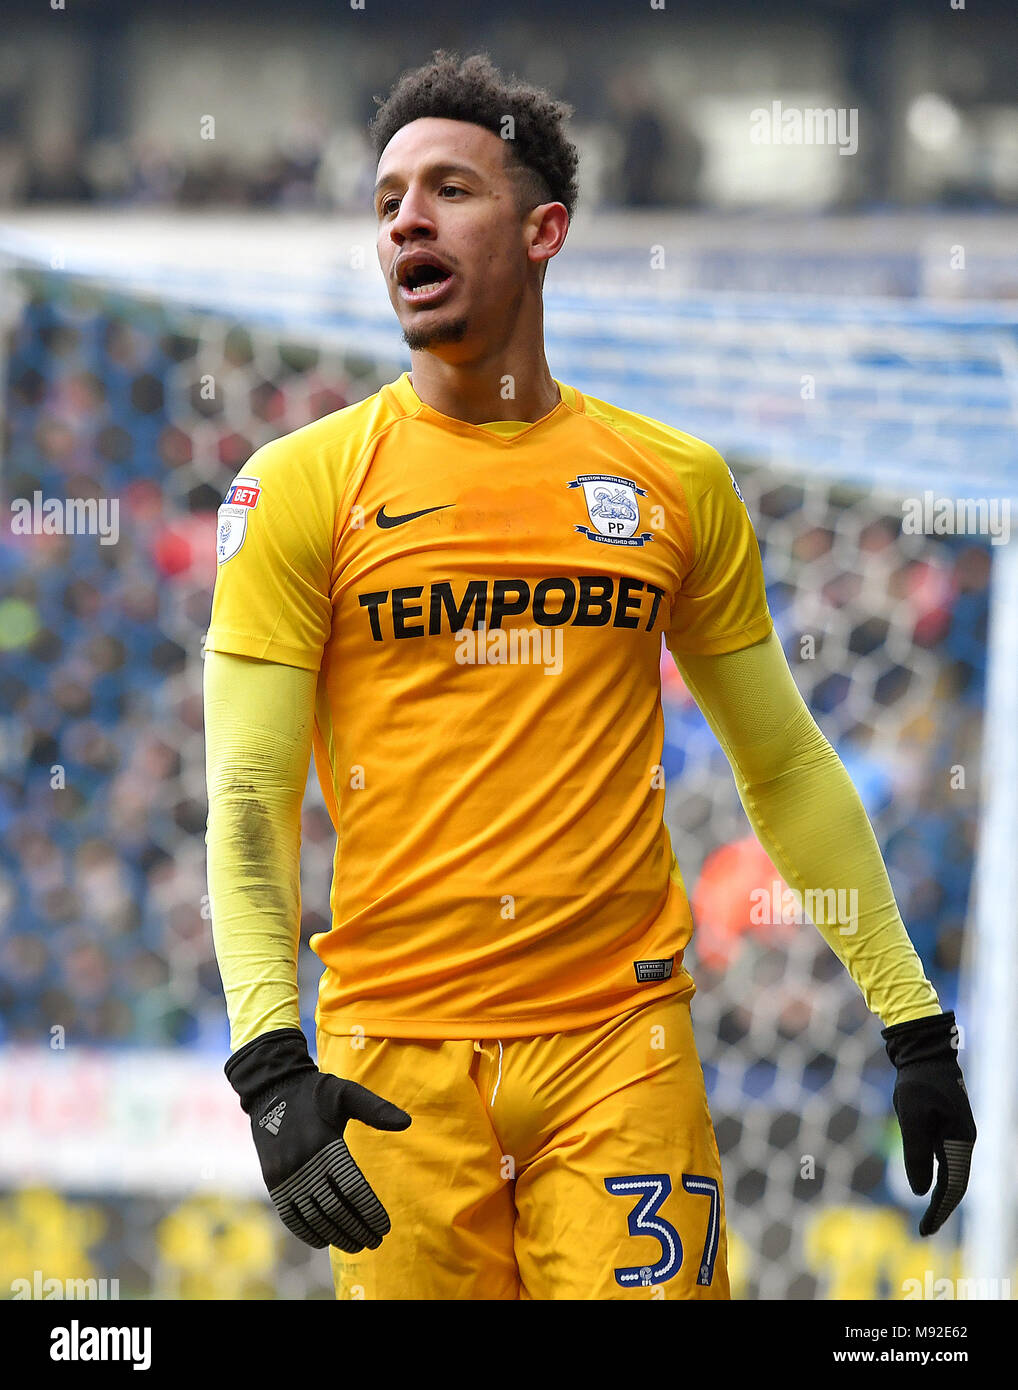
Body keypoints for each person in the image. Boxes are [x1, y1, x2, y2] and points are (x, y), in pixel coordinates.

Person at [203, 50, 975, 1301]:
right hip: (392, 1062)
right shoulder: (300, 486)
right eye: (389, 198)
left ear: (543, 227)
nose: (407, 216)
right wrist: (268, 1062)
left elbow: (779, 763)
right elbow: (245, 798)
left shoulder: (672, 481)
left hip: (621, 1049)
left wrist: (913, 1023)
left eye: (450, 188)